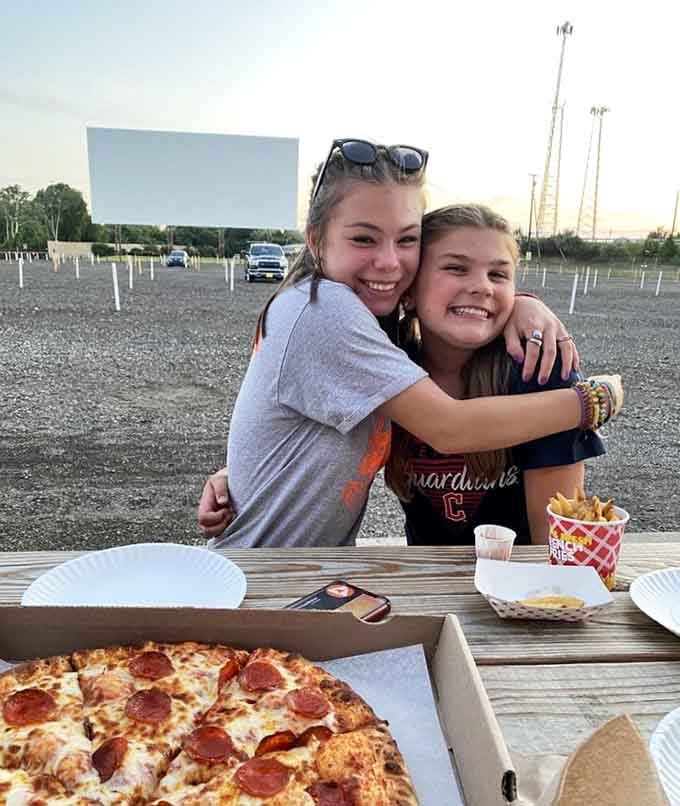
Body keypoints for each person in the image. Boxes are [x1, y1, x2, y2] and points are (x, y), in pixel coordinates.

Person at [198, 139, 622, 548]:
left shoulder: (394, 342)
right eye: (363, 238)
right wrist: (594, 401)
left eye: (406, 239)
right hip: (267, 578)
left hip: (317, 573)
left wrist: (240, 475)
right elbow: (448, 427)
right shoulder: (324, 310)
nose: (388, 262)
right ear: (315, 239)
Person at [384, 204, 605, 546]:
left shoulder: (542, 371)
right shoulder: (387, 363)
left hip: (520, 582)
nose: (482, 287)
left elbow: (553, 540)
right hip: (426, 577)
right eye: (456, 268)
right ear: (409, 290)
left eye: (498, 275)